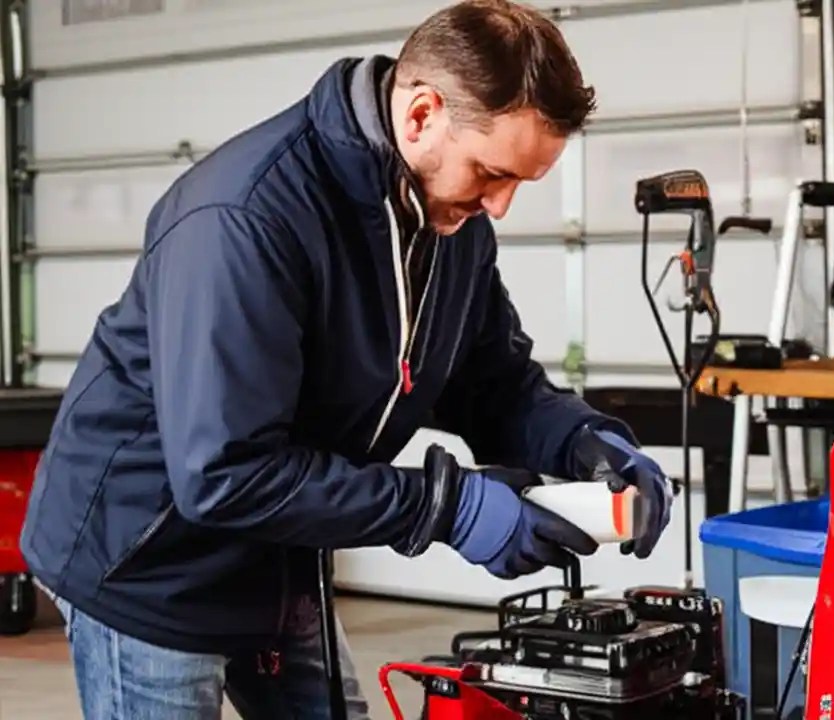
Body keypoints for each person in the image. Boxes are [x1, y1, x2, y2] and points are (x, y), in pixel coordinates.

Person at [19, 1, 674, 717]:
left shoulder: (450, 221)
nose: (503, 205)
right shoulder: (246, 217)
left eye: (520, 180)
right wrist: (447, 506)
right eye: (491, 173)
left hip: (282, 551)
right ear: (421, 115)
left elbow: (489, 381)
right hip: (149, 562)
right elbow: (224, 473)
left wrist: (583, 440)